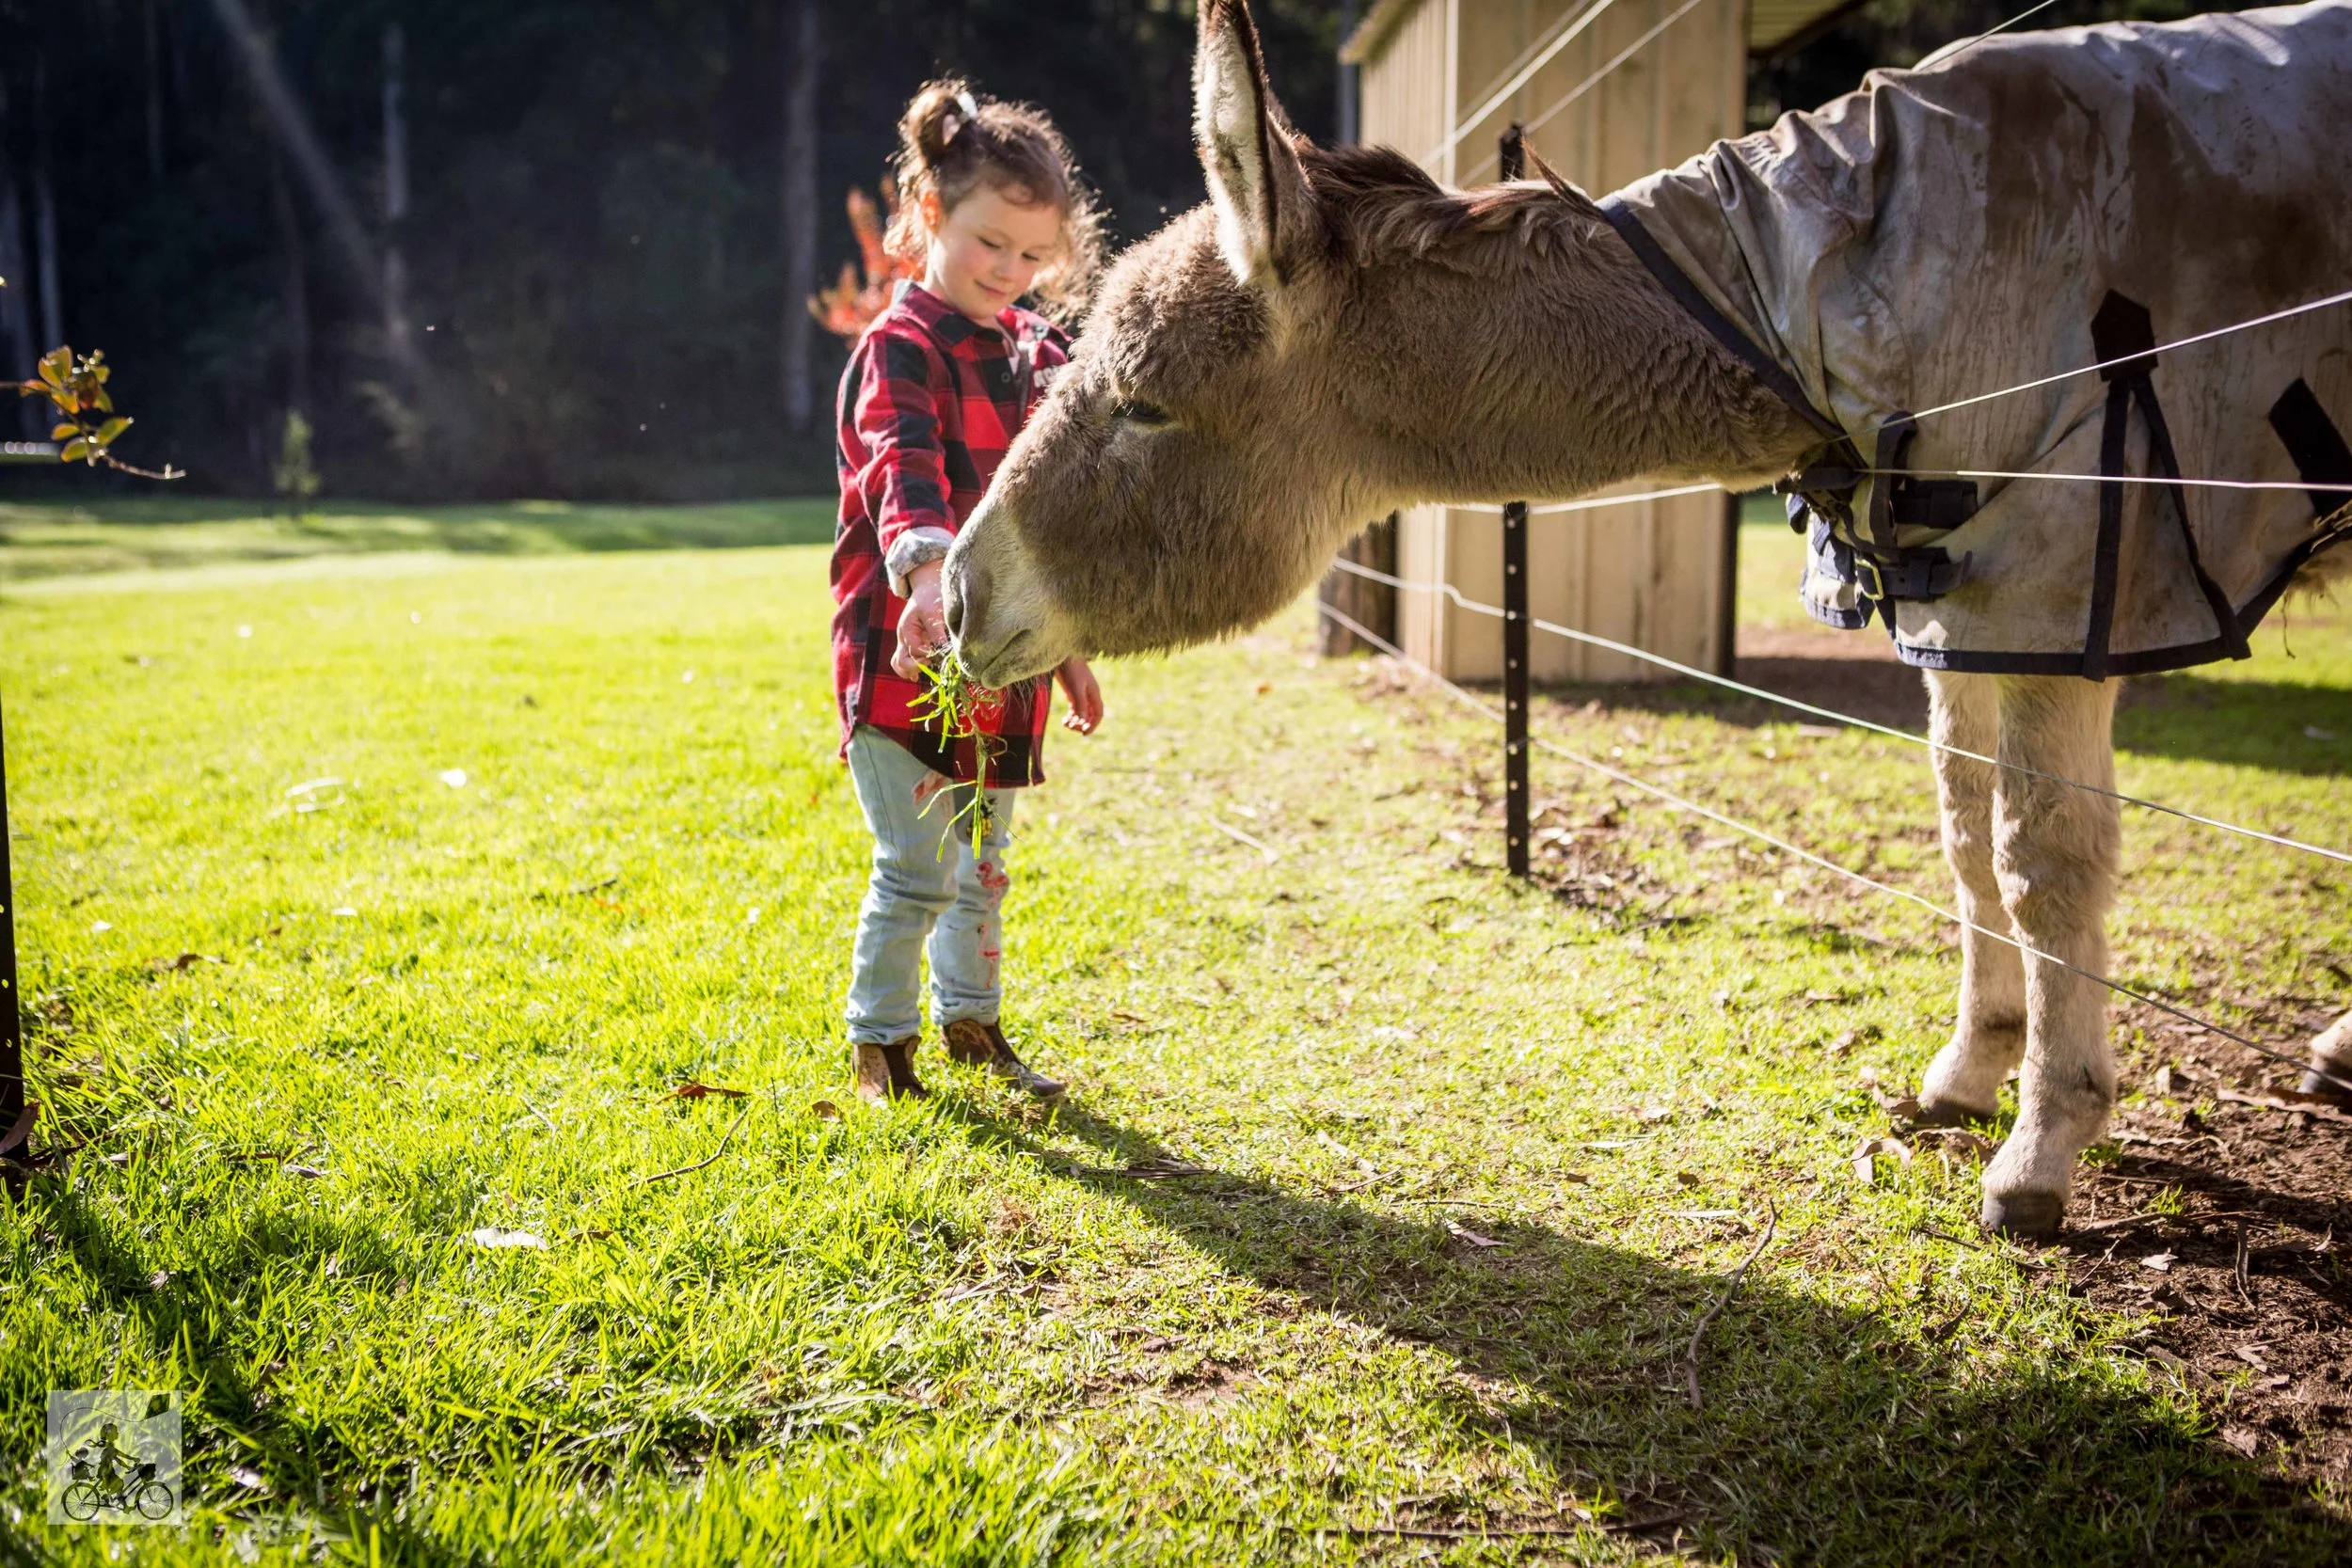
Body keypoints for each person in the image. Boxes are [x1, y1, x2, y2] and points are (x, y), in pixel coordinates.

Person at [831, 80, 1105, 1104]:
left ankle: (973, 1025)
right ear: (931, 214)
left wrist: (1065, 645)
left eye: (1035, 256)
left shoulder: (1038, 354)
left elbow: (1041, 516)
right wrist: (923, 579)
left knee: (983, 863)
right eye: (992, 243)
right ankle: (880, 1046)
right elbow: (901, 473)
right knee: (917, 864)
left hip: (1002, 655)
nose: (1013, 271)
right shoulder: (898, 348)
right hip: (906, 646)